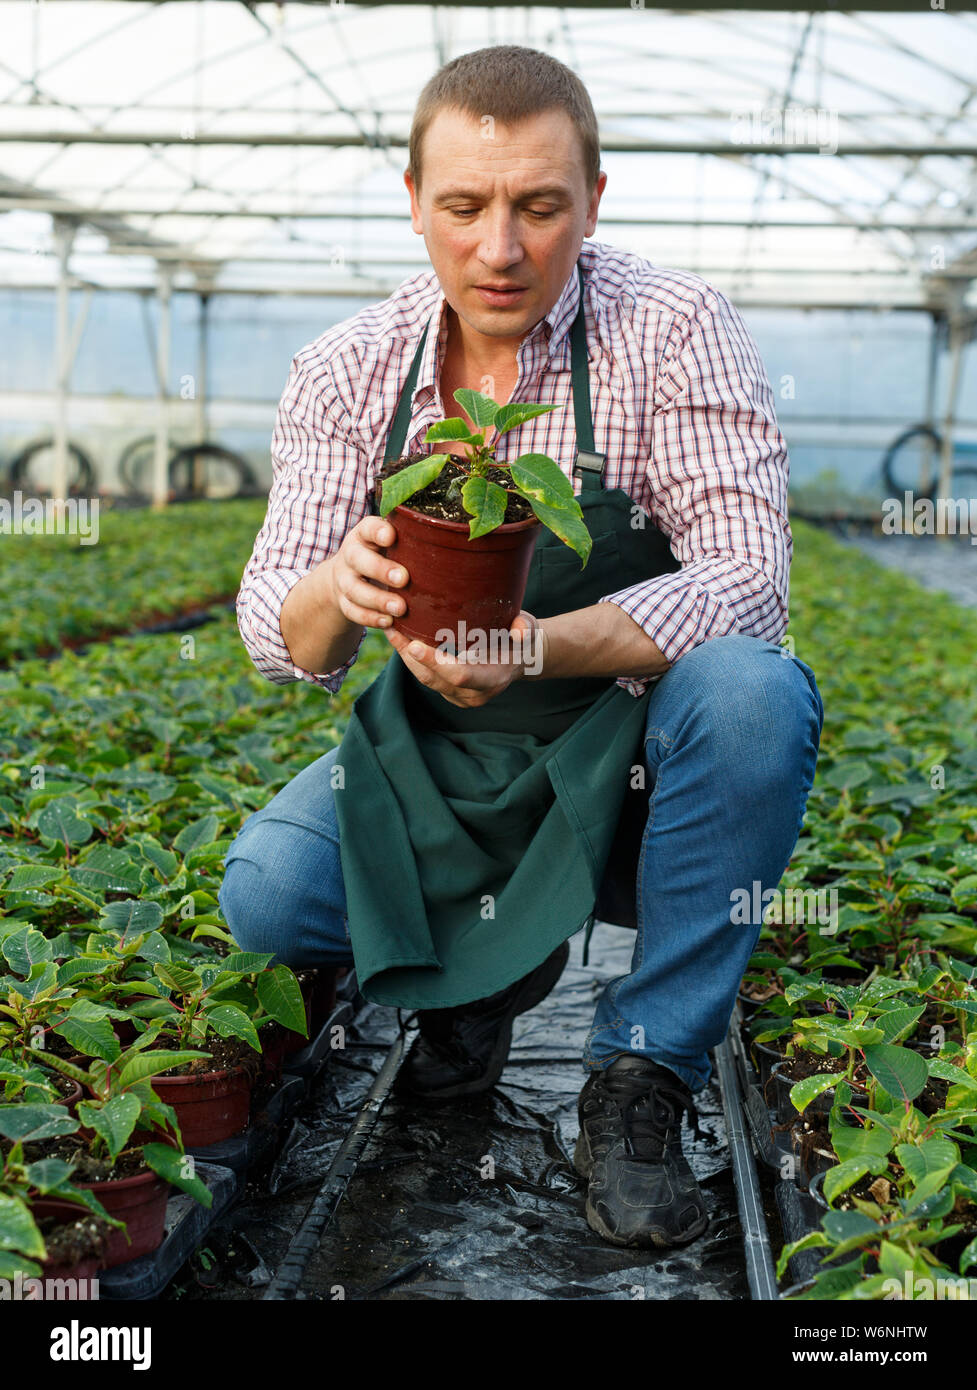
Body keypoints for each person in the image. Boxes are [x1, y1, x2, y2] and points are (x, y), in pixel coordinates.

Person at [219, 44, 824, 1252]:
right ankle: (485, 975)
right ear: (414, 203)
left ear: (591, 200)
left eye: (538, 206)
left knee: (751, 695)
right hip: (449, 747)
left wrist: (535, 642)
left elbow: (748, 586)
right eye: (463, 207)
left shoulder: (672, 329)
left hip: (633, 752)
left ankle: (639, 1073)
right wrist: (340, 586)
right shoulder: (351, 367)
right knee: (270, 897)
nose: (499, 248)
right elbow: (273, 635)